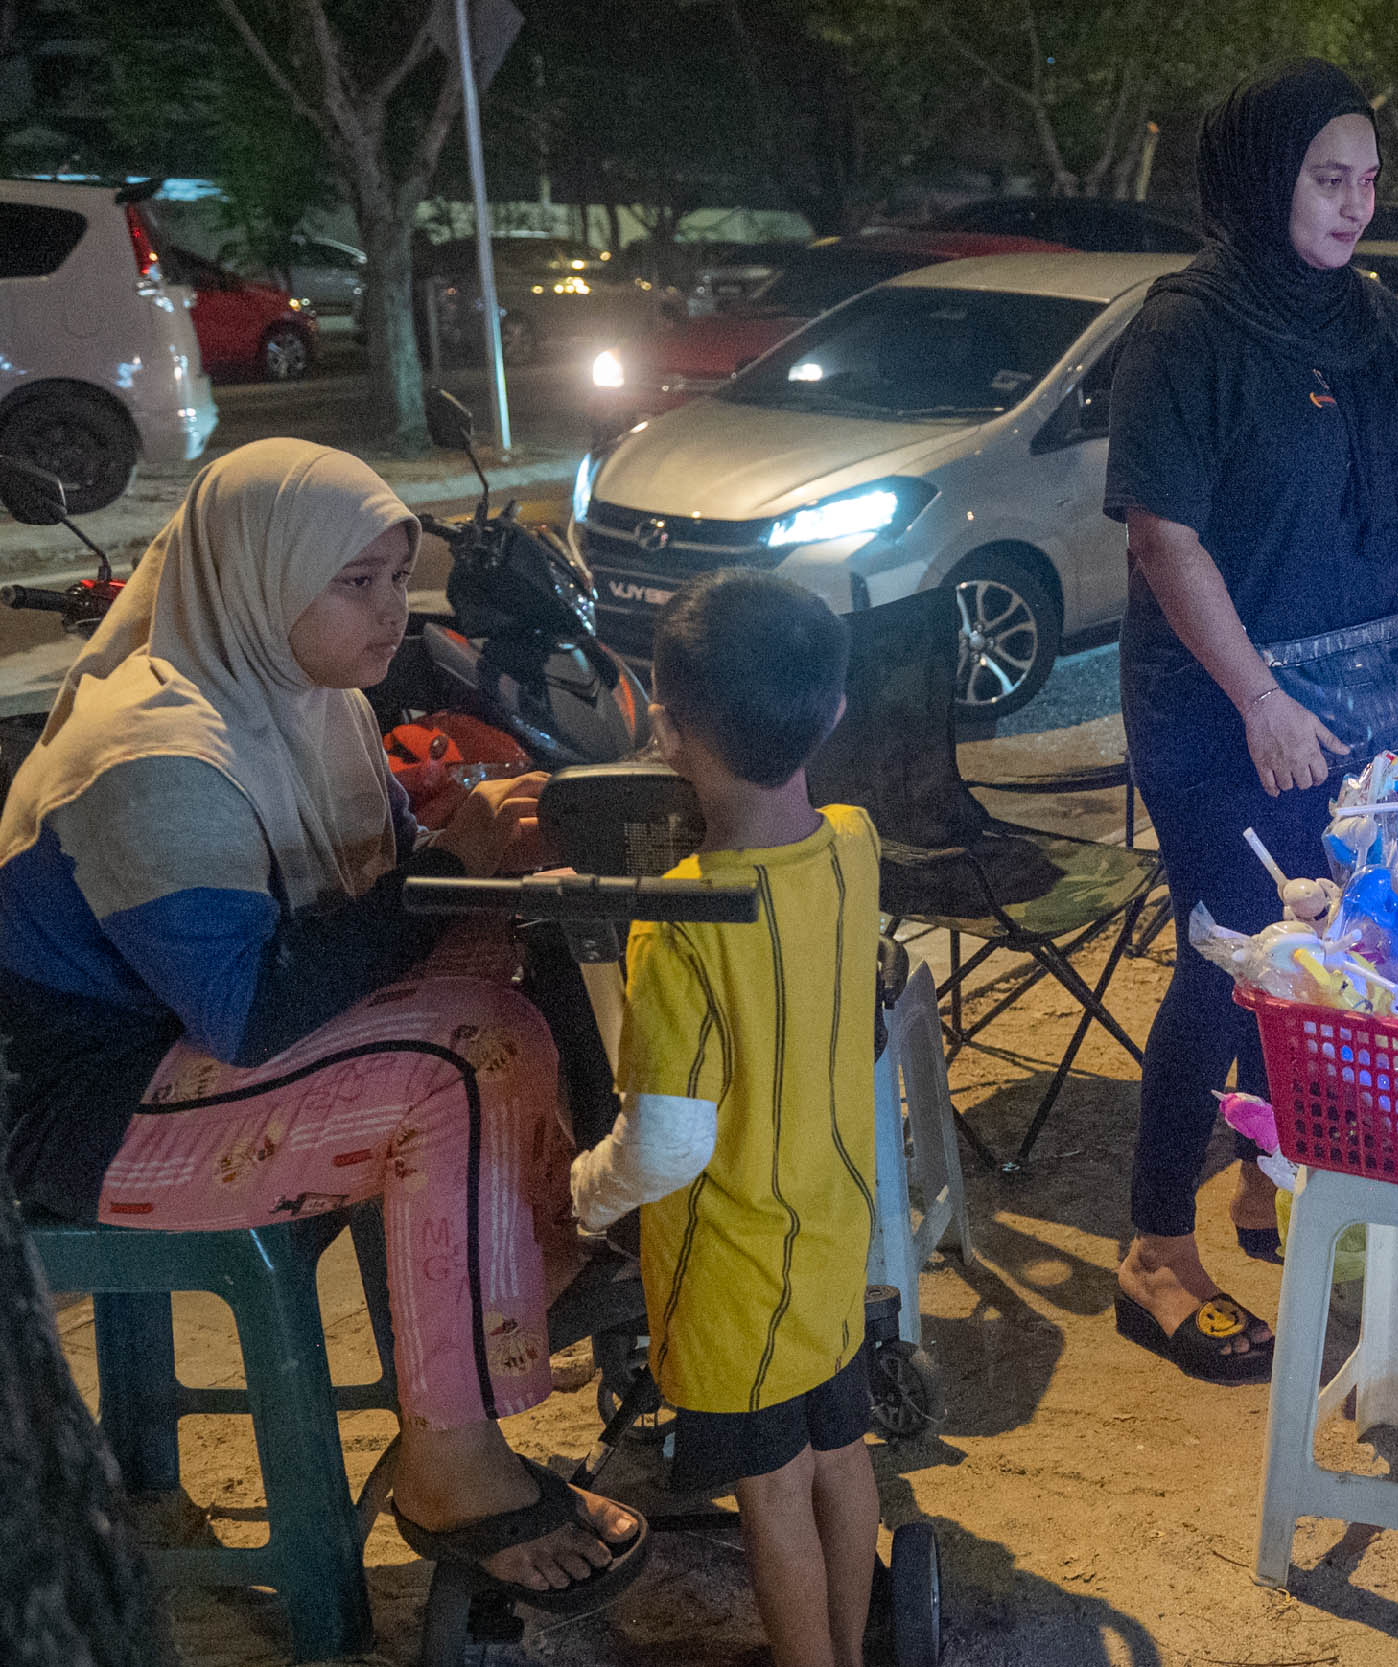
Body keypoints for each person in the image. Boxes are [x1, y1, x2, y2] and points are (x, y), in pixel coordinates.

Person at [0, 440, 640, 1601]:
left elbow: (380, 879)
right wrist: (450, 859)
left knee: (519, 940)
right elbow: (253, 1010)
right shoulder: (152, 756)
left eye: (399, 576)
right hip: (93, 1114)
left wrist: (476, 836)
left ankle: (532, 1275)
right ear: (257, 574)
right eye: (356, 582)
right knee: (451, 1065)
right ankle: (451, 1462)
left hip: (195, 1055)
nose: (394, 609)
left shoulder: (310, 699)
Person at [1101, 58, 1398, 1380]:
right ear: (1258, 178)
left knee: (1333, 946)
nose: (1353, 205)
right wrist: (1258, 697)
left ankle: (1260, 1175)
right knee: (1229, 956)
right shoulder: (1186, 327)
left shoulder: (1378, 327)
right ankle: (1151, 1251)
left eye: (1368, 181)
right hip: (1216, 698)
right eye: (1325, 179)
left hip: (1366, 688)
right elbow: (1167, 537)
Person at [574, 569, 880, 1667]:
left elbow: (666, 1142)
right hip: (835, 1236)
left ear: (668, 725)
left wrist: (581, 1190)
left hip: (735, 1274)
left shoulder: (678, 922)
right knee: (839, 1450)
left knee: (771, 1488)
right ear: (834, 712)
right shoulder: (854, 844)